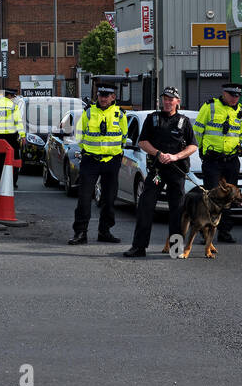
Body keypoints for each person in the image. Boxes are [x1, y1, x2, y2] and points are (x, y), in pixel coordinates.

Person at [124, 87, 196, 257]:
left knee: (177, 210)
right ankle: (138, 247)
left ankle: (176, 249)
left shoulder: (184, 122)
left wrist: (176, 156)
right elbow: (142, 142)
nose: (168, 102)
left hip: (176, 171)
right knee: (145, 206)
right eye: (165, 98)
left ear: (178, 102)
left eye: (171, 99)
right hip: (157, 170)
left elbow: (193, 146)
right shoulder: (152, 118)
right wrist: (158, 154)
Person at [69, 84, 126, 245]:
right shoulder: (88, 113)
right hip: (91, 160)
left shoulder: (120, 115)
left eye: (107, 95)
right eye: (101, 95)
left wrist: (115, 153)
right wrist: (86, 151)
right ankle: (80, 233)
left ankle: (105, 231)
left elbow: (124, 136)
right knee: (84, 198)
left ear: (113, 97)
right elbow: (78, 135)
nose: (103, 98)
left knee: (109, 199)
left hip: (111, 161)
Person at [194, 82, 242, 243]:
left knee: (230, 198)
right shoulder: (209, 107)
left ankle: (225, 232)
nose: (235, 98)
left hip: (231, 160)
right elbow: (197, 131)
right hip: (213, 160)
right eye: (232, 95)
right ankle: (206, 232)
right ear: (224, 93)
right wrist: (203, 150)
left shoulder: (240, 111)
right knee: (210, 197)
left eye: (237, 96)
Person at [0, 87, 25, 188]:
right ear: (8, 96)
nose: (14, 98)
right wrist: (22, 135)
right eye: (13, 96)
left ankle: (0, 181)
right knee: (14, 159)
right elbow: (18, 122)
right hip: (11, 137)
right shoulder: (13, 107)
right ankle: (12, 182)